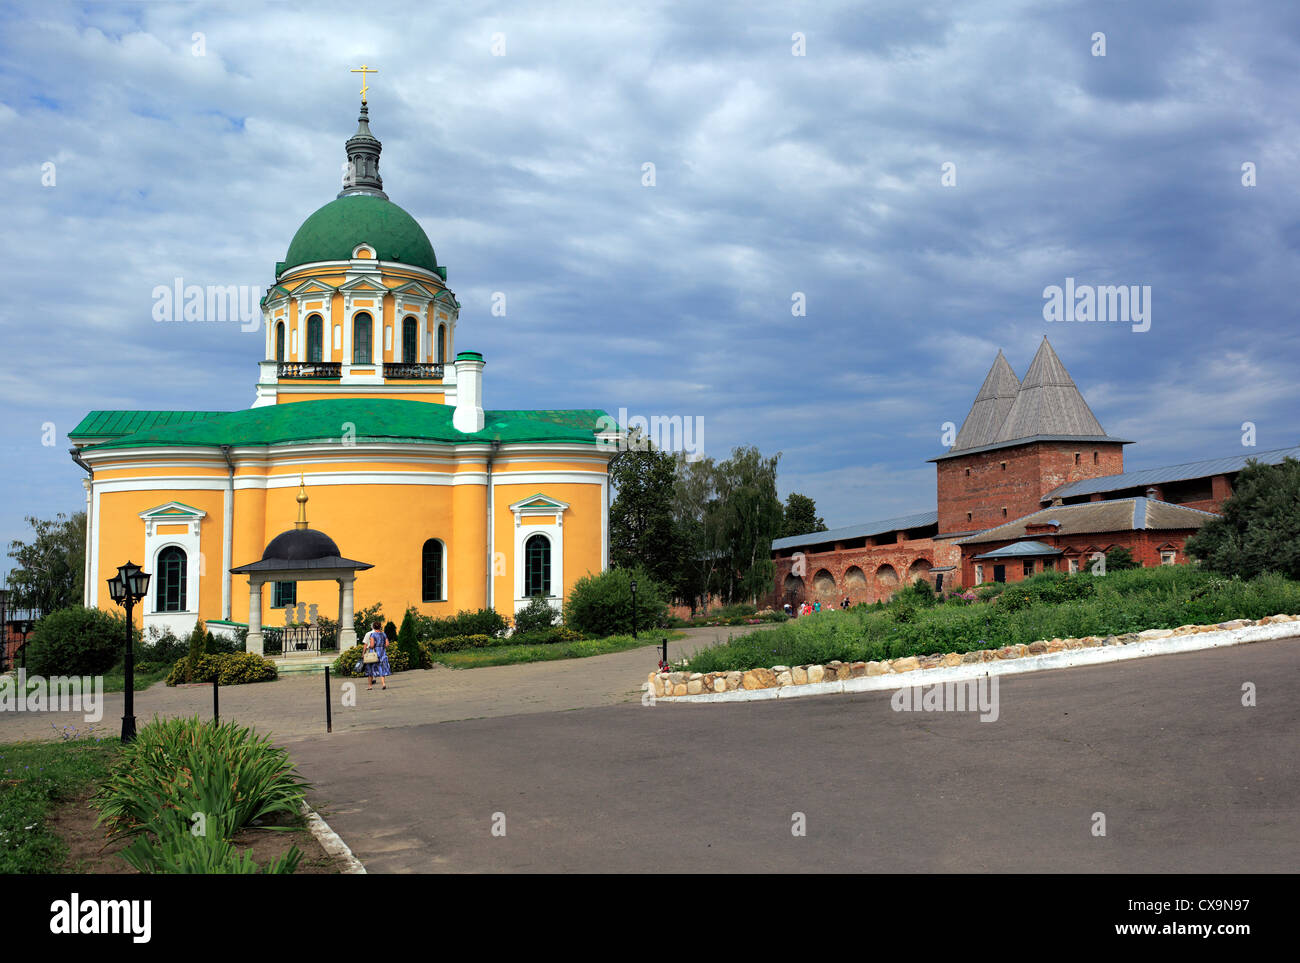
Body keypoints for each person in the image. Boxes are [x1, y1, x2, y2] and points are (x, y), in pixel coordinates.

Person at [363, 620, 390, 691]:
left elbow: (372, 645)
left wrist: (369, 647)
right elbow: (387, 644)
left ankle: (370, 686)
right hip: (382, 652)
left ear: (373, 627)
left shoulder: (373, 635)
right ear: (380, 627)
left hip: (374, 654)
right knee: (382, 668)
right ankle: (383, 684)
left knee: (370, 669)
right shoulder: (384, 634)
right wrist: (382, 646)